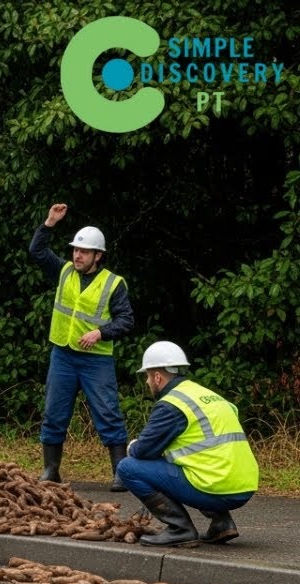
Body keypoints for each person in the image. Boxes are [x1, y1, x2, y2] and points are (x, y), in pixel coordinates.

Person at [30, 203, 134, 490]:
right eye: (76, 250)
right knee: (54, 412)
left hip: (95, 360)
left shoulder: (113, 284)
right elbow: (37, 252)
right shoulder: (63, 272)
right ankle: (51, 470)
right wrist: (49, 223)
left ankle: (120, 473)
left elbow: (127, 320)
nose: (77, 255)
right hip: (62, 354)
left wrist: (101, 332)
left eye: (84, 251)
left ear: (97, 256)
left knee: (108, 412)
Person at [116, 341, 258, 546]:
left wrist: (131, 446)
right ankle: (222, 523)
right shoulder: (206, 394)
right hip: (244, 485)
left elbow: (144, 451)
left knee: (128, 467)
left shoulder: (171, 405)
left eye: (147, 376)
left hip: (216, 486)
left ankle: (179, 529)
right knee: (193, 462)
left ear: (158, 377)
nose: (147, 382)